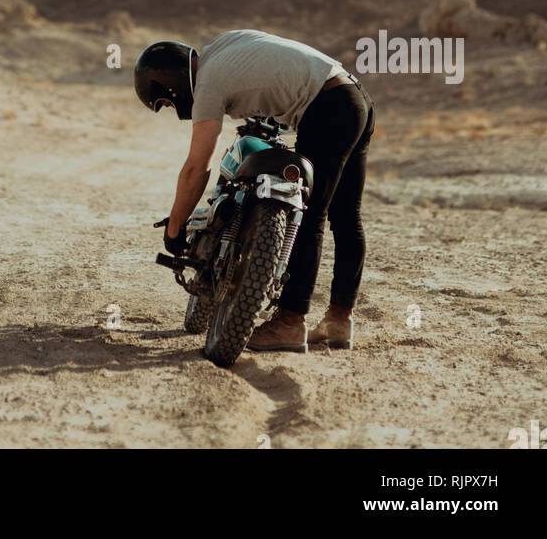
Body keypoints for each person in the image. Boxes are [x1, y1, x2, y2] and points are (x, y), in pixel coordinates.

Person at [133, 29, 375, 351]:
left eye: (164, 101)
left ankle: (290, 323)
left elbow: (197, 167)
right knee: (346, 219)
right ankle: (339, 322)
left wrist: (175, 227)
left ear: (171, 85)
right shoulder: (221, 46)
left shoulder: (208, 84)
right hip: (356, 99)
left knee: (307, 215)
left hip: (327, 108)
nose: (172, 109)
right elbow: (267, 68)